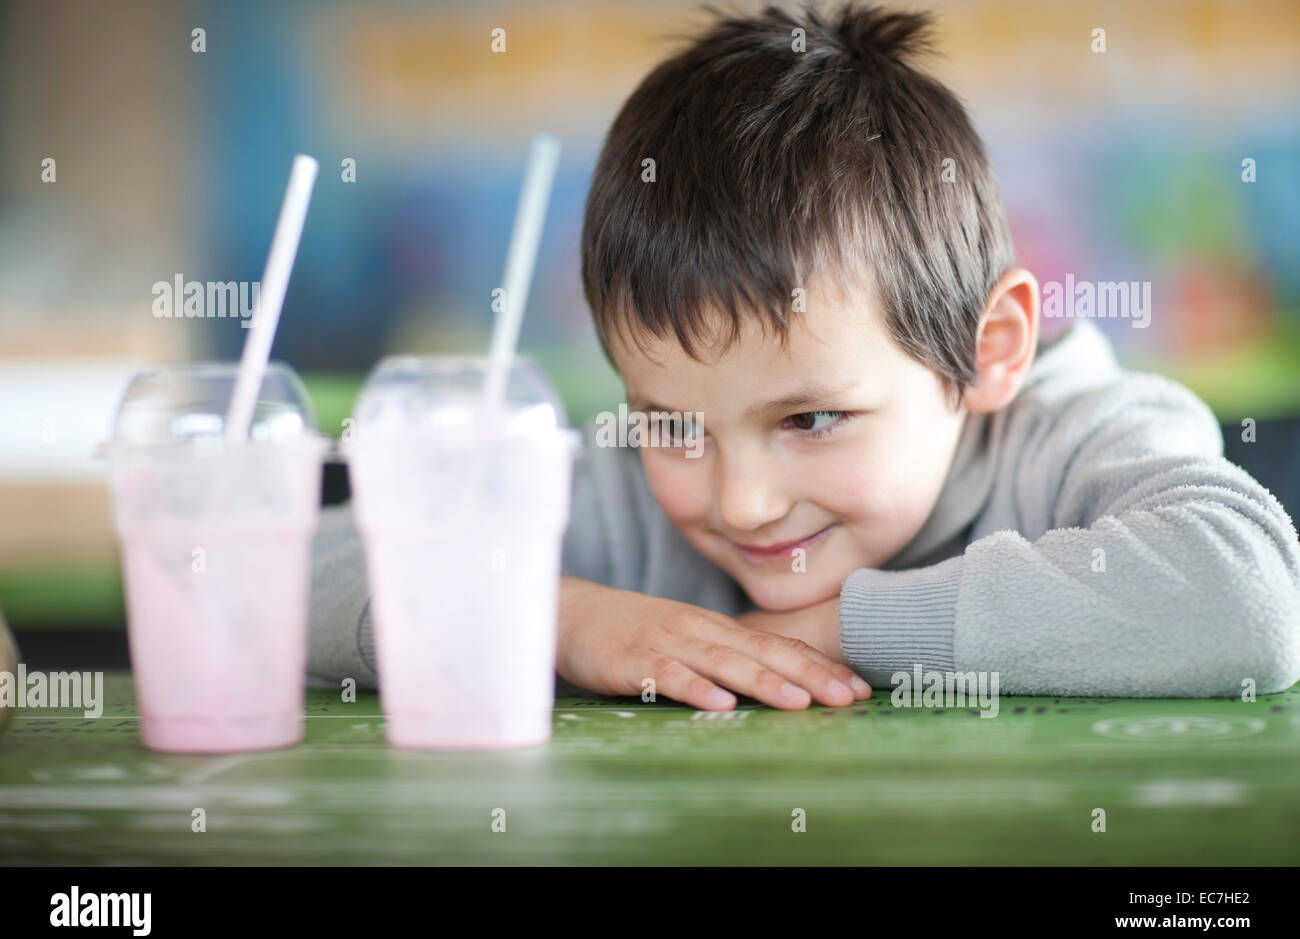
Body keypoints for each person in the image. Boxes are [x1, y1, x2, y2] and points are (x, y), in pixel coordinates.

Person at [308, 2, 1300, 709]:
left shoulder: (1076, 435)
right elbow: (296, 571)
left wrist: (834, 629)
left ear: (985, 348)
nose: (739, 502)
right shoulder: (633, 492)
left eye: (809, 418)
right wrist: (555, 616)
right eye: (671, 423)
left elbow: (1247, 598)